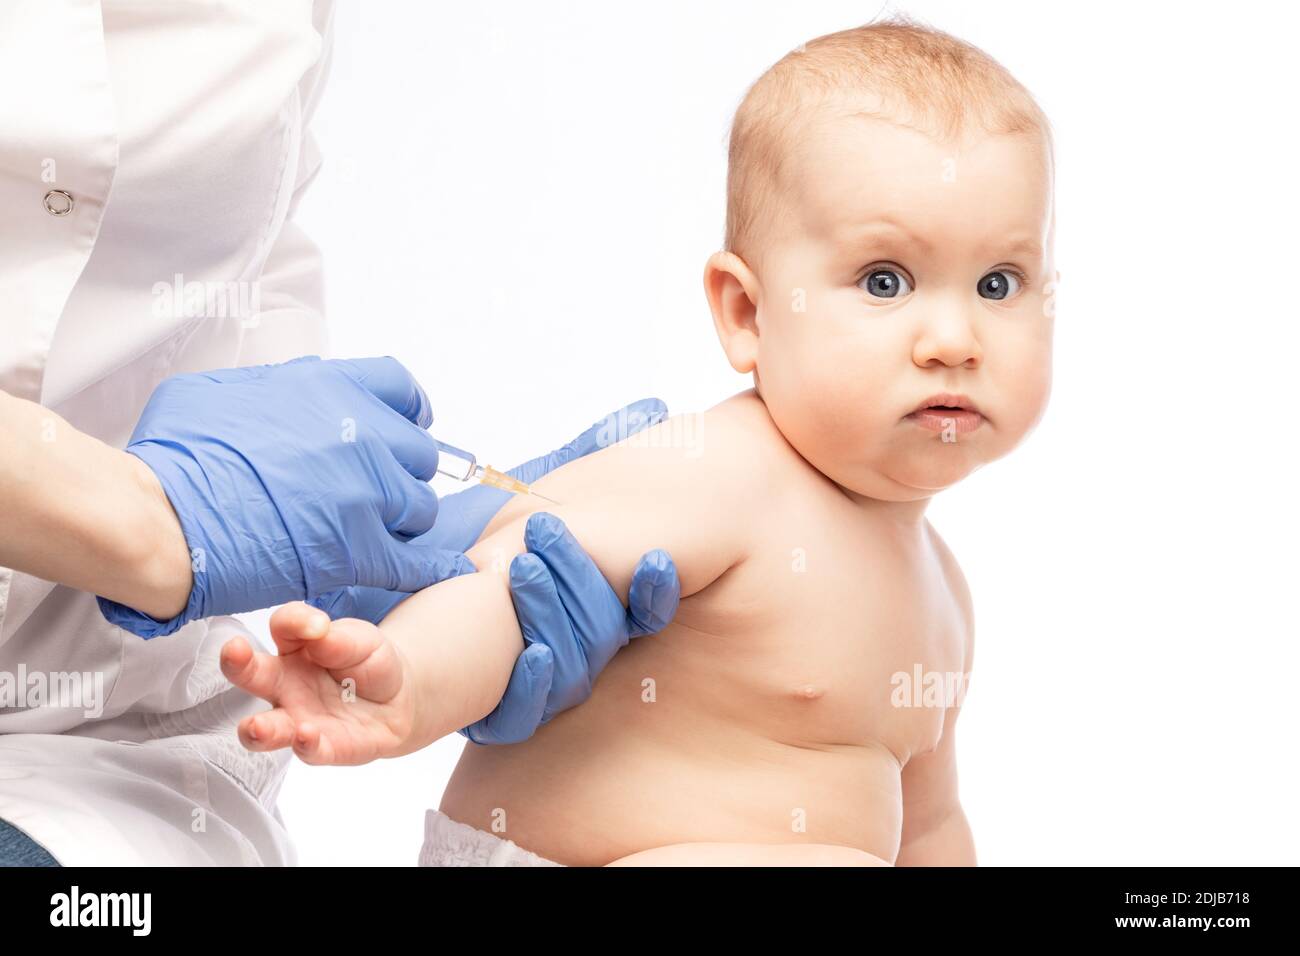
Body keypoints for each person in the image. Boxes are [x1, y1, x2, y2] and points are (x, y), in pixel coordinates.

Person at [224, 17, 1059, 866]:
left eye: (999, 283)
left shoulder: (945, 595)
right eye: (886, 281)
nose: (954, 338)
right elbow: (514, 588)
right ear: (748, 313)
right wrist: (403, 681)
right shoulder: (721, 472)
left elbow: (926, 827)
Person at [0, 0, 678, 866]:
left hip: (105, 751)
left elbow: (251, 246)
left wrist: (358, 560)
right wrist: (142, 518)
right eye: (879, 281)